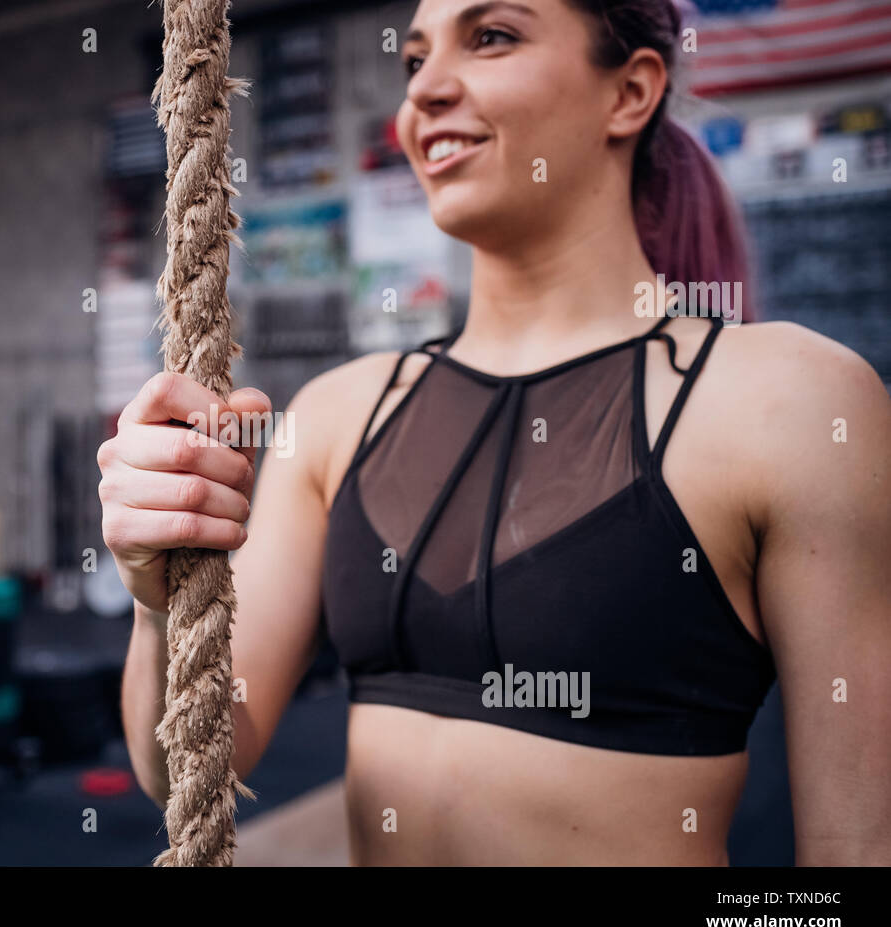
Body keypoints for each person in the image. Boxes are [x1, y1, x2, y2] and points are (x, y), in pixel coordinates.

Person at [97, 0, 891, 864]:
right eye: (412, 62)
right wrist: (154, 599)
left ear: (630, 93)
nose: (426, 90)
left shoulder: (794, 403)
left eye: (493, 37)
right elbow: (183, 772)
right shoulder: (336, 414)